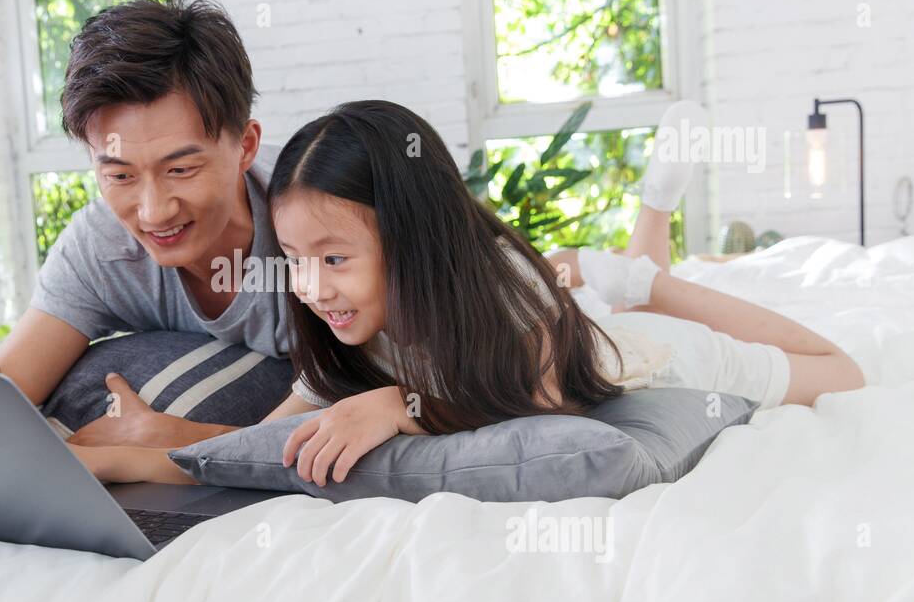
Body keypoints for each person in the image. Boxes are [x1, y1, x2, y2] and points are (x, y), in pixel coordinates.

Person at [74, 100, 864, 486]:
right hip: (569, 319)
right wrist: (127, 459)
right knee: (607, 294)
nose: (310, 289)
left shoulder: (497, 281)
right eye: (297, 260)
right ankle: (625, 265)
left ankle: (643, 267)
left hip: (648, 360)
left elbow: (543, 389)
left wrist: (402, 406)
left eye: (336, 258)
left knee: (837, 368)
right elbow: (268, 451)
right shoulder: (346, 319)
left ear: (412, 244)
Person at [0, 0, 290, 448]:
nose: (154, 211)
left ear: (245, 146)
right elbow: (13, 383)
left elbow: (388, 387)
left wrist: (185, 438)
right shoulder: (101, 246)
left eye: (181, 170)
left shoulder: (320, 222)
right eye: (120, 174)